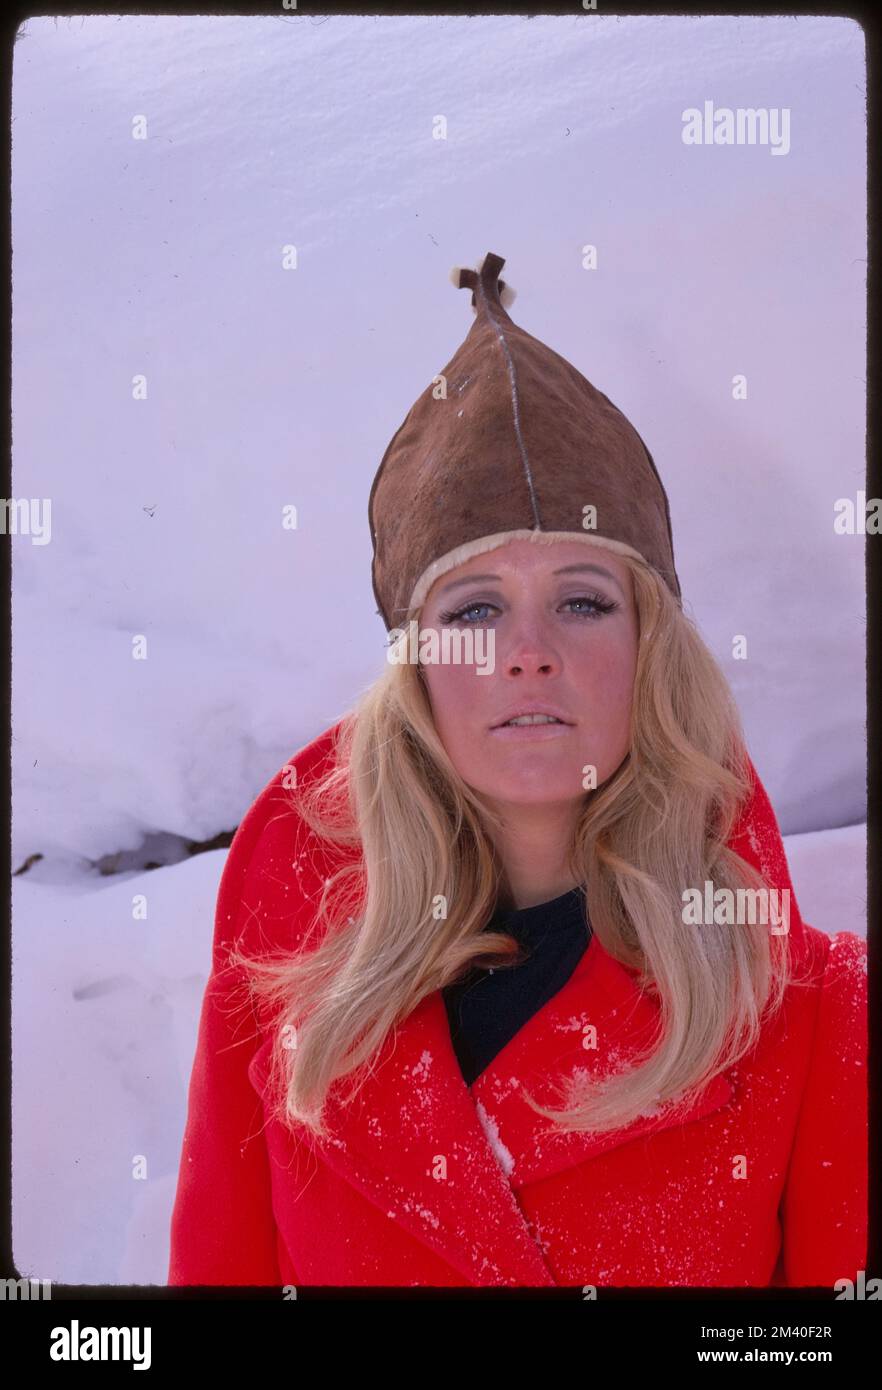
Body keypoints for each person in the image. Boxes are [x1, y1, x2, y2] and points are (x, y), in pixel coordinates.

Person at [167, 253, 867, 1289]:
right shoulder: (289, 940)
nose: (526, 651)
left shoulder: (812, 1012)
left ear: (651, 649)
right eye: (474, 609)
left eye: (583, 600)